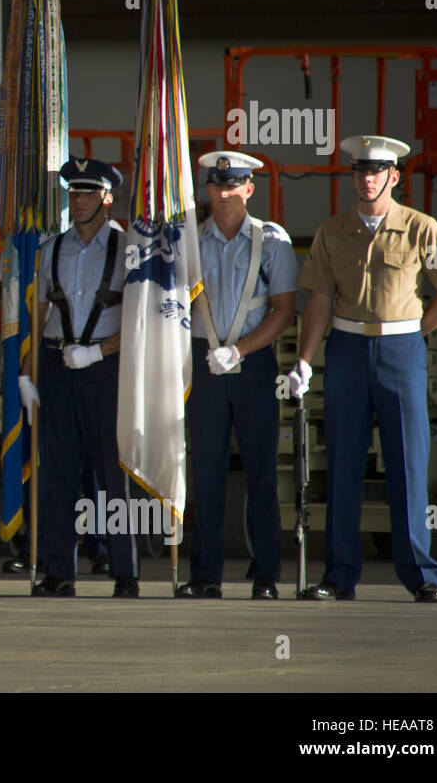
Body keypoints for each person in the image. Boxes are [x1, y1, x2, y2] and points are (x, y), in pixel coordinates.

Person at [291, 135, 437, 603]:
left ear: (394, 176)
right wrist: (304, 362)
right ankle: (339, 575)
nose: (367, 179)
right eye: (359, 171)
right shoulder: (333, 232)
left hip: (400, 350)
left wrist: (418, 332)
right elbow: (319, 299)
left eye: (376, 172)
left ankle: (422, 575)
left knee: (408, 462)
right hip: (348, 349)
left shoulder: (419, 229)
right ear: (352, 176)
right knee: (343, 463)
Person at [179, 151, 297, 600]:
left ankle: (266, 573)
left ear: (249, 189)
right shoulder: (190, 240)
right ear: (207, 189)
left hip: (252, 364)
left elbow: (284, 311)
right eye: (215, 185)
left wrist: (240, 350)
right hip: (203, 364)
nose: (222, 193)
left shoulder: (272, 241)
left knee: (261, 470)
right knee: (205, 472)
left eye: (232, 185)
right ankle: (205, 574)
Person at [18, 157, 139, 597]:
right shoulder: (51, 248)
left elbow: (142, 321)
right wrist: (26, 371)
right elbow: (38, 311)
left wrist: (100, 351)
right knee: (59, 472)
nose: (80, 200)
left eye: (89, 192)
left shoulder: (129, 249)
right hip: (56, 365)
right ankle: (59, 572)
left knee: (113, 472)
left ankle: (125, 572)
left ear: (108, 198)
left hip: (106, 368)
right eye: (74, 192)